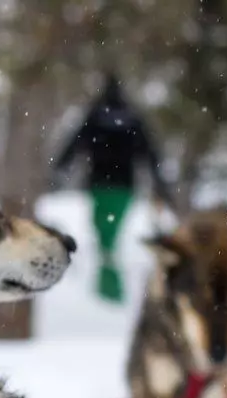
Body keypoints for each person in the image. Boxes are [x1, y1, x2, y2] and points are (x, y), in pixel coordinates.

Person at [53, 74, 173, 303]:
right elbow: (149, 153)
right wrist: (159, 183)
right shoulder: (132, 119)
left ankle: (108, 287)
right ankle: (109, 286)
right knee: (110, 232)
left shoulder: (95, 116)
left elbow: (76, 143)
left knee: (102, 232)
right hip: (124, 186)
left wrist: (61, 168)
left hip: (99, 183)